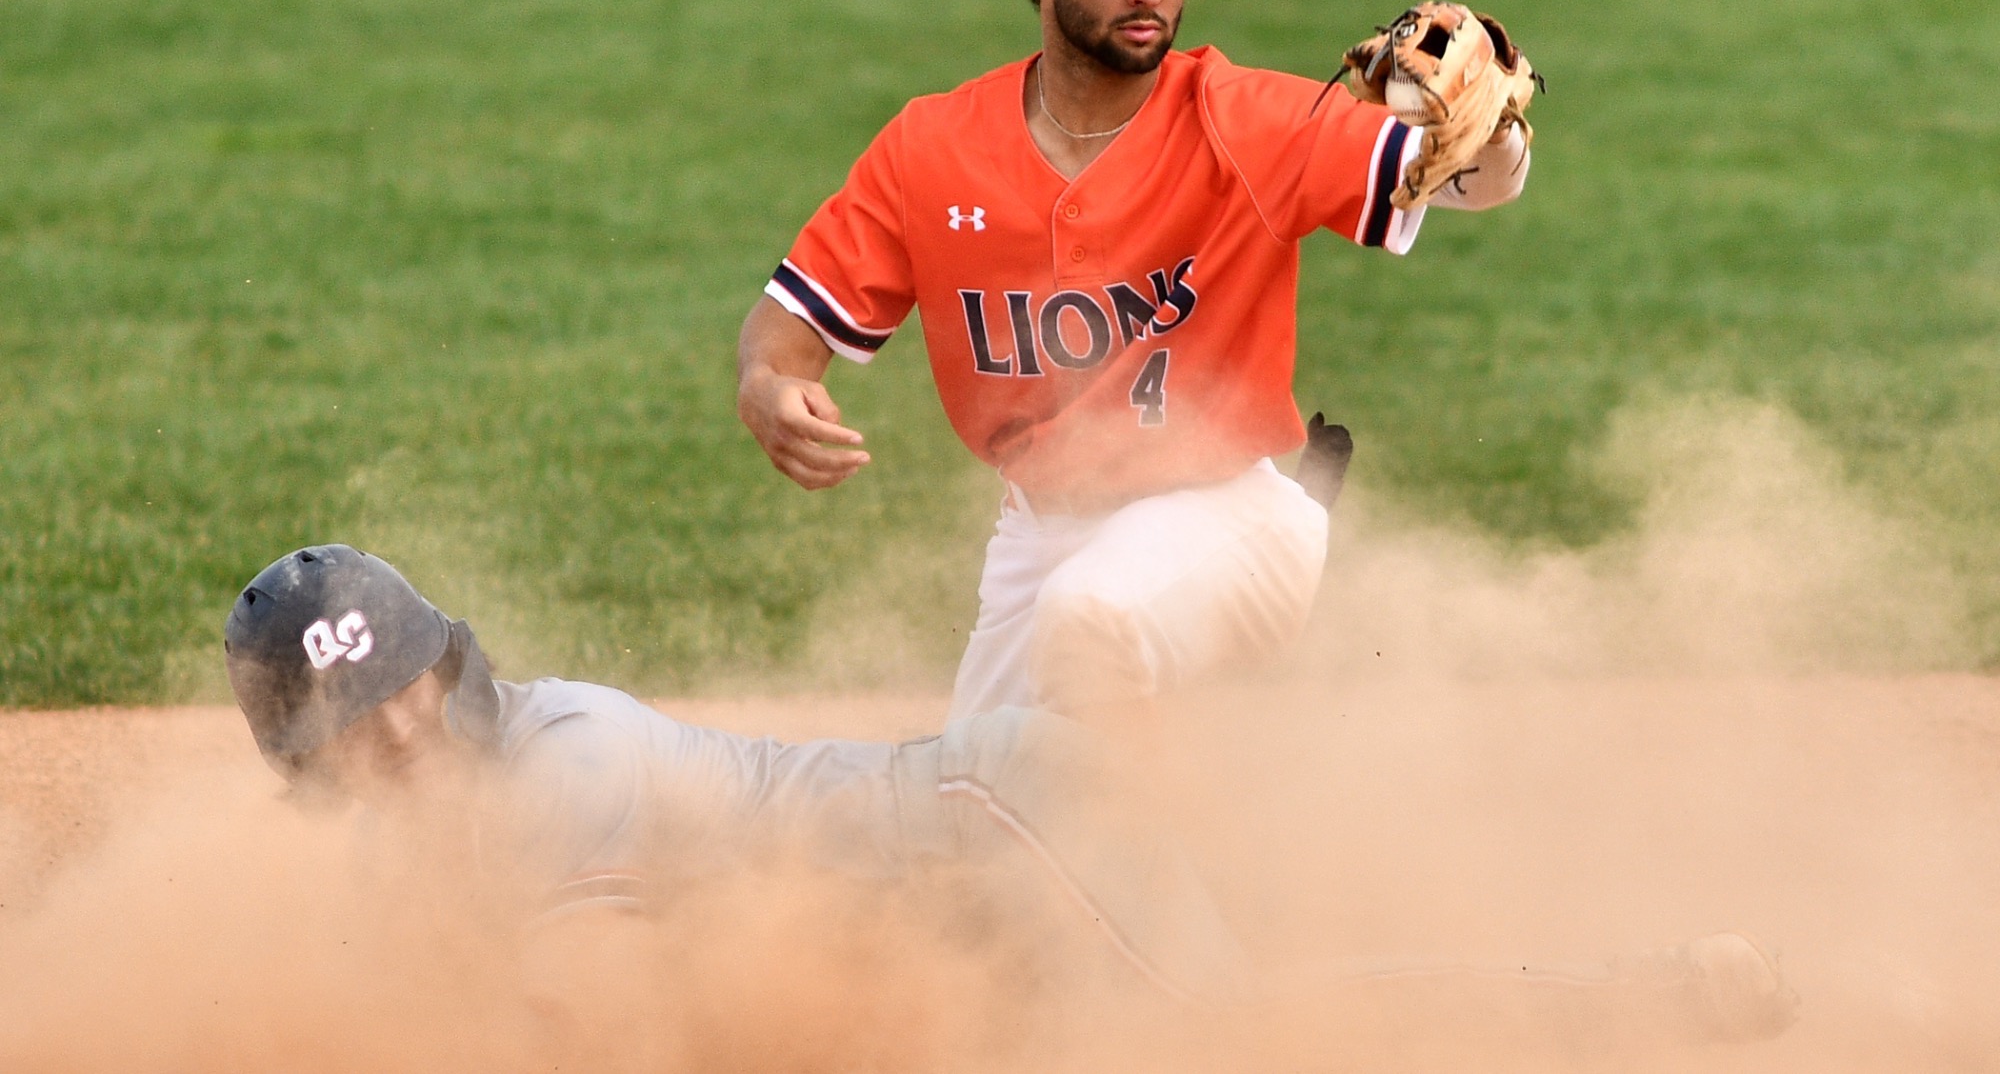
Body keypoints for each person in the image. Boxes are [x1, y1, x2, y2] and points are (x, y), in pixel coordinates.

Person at [223, 543, 1798, 1064]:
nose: (402, 742)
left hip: (1008, 824)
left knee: (1235, 1031)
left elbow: (569, 1029)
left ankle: (1633, 1000)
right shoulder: (417, 861)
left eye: (408, 695)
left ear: (448, 673)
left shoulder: (560, 768)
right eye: (357, 731)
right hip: (962, 913)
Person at [736, 0, 1534, 722]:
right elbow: (792, 321)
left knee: (1093, 623)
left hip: (1231, 522)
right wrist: (767, 382)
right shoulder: (931, 148)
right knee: (969, 809)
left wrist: (1498, 131)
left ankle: (1156, 858)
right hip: (1037, 537)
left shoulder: (1245, 118)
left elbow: (1461, 182)